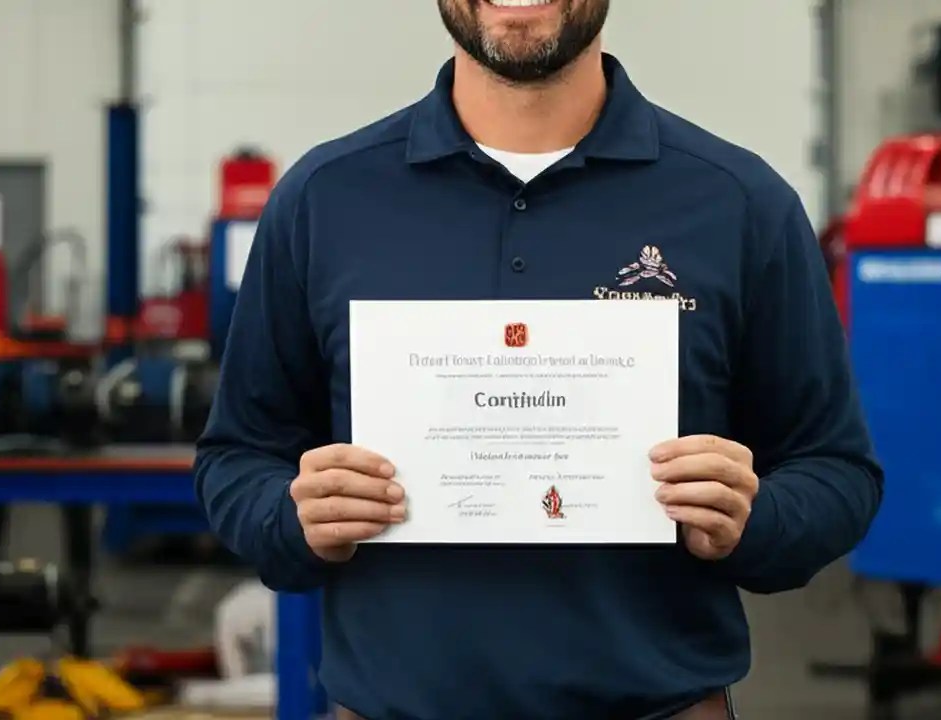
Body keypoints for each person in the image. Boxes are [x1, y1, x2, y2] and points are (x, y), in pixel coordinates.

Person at [193, 1, 884, 718]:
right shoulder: (324, 200)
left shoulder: (740, 204)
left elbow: (838, 472)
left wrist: (756, 519)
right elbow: (237, 457)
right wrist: (293, 516)